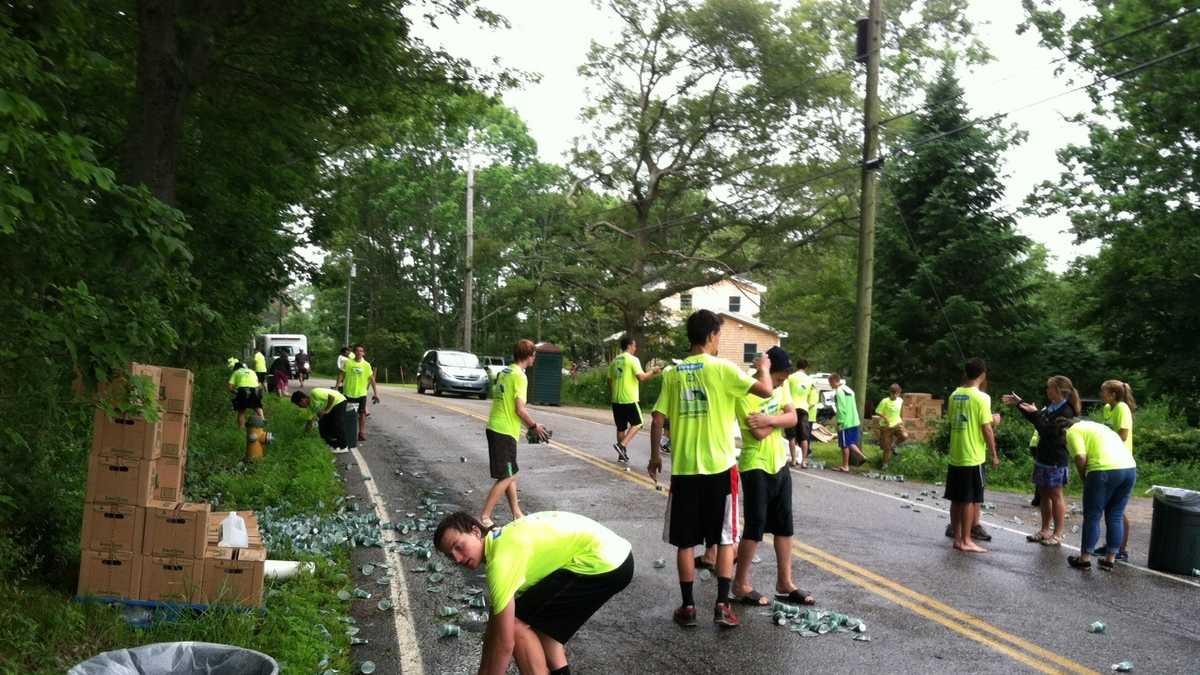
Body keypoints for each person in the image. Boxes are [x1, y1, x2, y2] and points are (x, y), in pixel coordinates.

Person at [648, 309, 774, 629]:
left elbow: (658, 418)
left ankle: (688, 607)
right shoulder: (724, 368)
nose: (719, 340)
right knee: (726, 536)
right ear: (711, 336)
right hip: (720, 467)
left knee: (685, 541)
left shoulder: (673, 373)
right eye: (719, 335)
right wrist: (764, 368)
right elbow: (766, 391)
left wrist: (655, 457)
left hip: (685, 469)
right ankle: (721, 606)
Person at [434, 511, 633, 675]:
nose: (457, 558)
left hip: (604, 562)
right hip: (610, 552)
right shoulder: (499, 541)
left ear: (476, 531)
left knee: (516, 625)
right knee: (538, 628)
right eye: (451, 556)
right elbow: (495, 626)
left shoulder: (501, 562)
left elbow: (504, 644)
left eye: (458, 546)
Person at [731, 346, 814, 608]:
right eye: (778, 378)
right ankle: (740, 584)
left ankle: (785, 582)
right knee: (755, 527)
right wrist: (779, 419)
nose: (781, 383)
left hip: (780, 463)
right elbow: (758, 433)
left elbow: (793, 418)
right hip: (755, 464)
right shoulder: (746, 389)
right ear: (768, 371)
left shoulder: (783, 386)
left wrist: (769, 419)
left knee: (784, 526)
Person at [1001, 375, 1081, 547]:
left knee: (1056, 495)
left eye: (1049, 388)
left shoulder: (1066, 411)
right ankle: (1045, 530)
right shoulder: (1051, 406)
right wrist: (1019, 403)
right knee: (1043, 494)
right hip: (1043, 457)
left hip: (1056, 458)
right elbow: (1036, 419)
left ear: (1058, 390)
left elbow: (1047, 430)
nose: (1047, 390)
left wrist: (1036, 413)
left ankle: (1057, 534)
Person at [480, 339, 549, 528]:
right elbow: (519, 409)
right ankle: (485, 516)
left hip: (496, 427)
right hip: (504, 431)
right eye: (534, 355)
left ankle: (517, 513)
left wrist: (526, 427)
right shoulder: (520, 376)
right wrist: (534, 426)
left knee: (511, 473)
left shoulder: (505, 372)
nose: (534, 358)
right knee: (507, 476)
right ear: (529, 356)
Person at [1062, 418, 1137, 571]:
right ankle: (1110, 560)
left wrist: (1084, 477)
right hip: (1129, 469)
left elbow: (1080, 457)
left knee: (1092, 516)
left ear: (1064, 430)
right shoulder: (1100, 427)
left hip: (1103, 470)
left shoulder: (1072, 431)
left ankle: (1084, 559)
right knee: (1115, 515)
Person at [944, 358, 1000, 553]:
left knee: (956, 498)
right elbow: (986, 428)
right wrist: (994, 453)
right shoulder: (982, 398)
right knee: (969, 499)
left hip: (956, 454)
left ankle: (958, 538)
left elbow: (954, 421)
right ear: (983, 374)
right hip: (973, 456)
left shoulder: (954, 395)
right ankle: (966, 540)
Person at [1099, 379, 1137, 561]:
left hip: (1121, 461)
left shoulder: (1122, 408)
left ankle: (1120, 548)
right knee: (1110, 507)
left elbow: (1123, 435)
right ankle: (1111, 545)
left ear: (1113, 394)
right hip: (1109, 459)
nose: (1101, 395)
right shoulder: (1108, 409)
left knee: (1116, 509)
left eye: (1103, 391)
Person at [608, 335, 661, 463]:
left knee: (621, 428)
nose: (635, 348)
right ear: (629, 346)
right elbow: (641, 377)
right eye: (634, 345)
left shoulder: (614, 361)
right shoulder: (632, 359)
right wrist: (653, 371)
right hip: (629, 398)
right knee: (638, 423)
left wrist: (613, 393)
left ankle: (621, 455)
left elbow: (609, 380)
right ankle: (622, 445)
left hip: (616, 400)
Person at [291, 387, 355, 453]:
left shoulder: (315, 393)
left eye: (299, 405)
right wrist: (304, 435)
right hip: (330, 407)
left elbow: (331, 397)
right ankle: (332, 445)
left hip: (339, 401)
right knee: (322, 426)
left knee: (337, 423)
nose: (300, 407)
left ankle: (343, 447)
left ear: (302, 400)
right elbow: (310, 421)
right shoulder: (310, 407)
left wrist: (326, 410)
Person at [339, 344, 380, 442]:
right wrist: (337, 387)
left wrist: (376, 393)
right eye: (357, 351)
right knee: (349, 414)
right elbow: (341, 375)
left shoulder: (366, 365)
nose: (359, 352)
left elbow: (372, 380)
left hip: (361, 394)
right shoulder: (348, 363)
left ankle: (361, 433)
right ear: (354, 352)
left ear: (363, 353)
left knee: (362, 414)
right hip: (349, 392)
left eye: (361, 351)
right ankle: (348, 432)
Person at [828, 373, 866, 472]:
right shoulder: (848, 389)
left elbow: (841, 408)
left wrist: (840, 422)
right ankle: (862, 456)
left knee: (844, 444)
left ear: (834, 381)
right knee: (850, 442)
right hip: (854, 420)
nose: (830, 385)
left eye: (830, 383)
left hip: (845, 422)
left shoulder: (839, 391)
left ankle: (845, 466)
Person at [785, 358, 819, 468]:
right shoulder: (810, 380)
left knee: (791, 436)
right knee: (804, 437)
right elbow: (812, 397)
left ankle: (794, 460)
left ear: (796, 366)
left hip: (791, 408)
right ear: (806, 367)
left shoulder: (790, 378)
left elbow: (785, 392)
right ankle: (804, 461)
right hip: (804, 409)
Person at [873, 383, 908, 470]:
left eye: (898, 394)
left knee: (904, 436)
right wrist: (885, 418)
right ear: (891, 393)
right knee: (887, 448)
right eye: (894, 394)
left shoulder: (900, 400)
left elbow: (901, 411)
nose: (896, 396)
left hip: (897, 424)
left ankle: (894, 445)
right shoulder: (885, 401)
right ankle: (884, 465)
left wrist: (902, 421)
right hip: (886, 427)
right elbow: (877, 411)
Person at [227, 357, 264, 429]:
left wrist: (236, 393)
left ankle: (241, 428)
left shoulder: (236, 372)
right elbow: (259, 384)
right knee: (257, 408)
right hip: (255, 390)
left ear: (236, 368)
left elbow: (230, 387)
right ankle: (263, 424)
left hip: (243, 391)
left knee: (241, 411)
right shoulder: (252, 371)